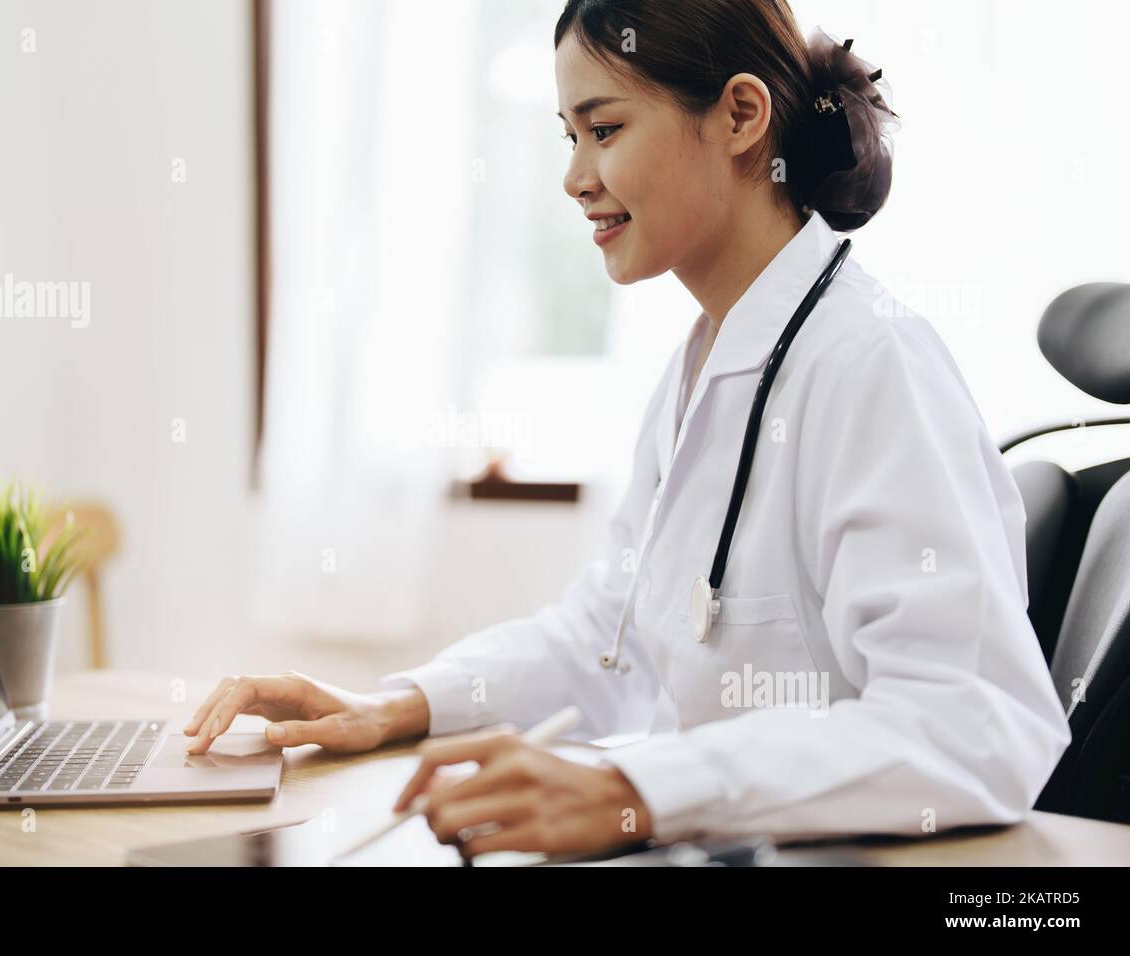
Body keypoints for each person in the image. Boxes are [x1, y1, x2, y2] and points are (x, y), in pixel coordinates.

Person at [184, 0, 1070, 859]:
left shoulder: (872, 363)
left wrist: (638, 793)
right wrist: (398, 704)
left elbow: (973, 726)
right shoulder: (705, 363)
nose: (574, 177)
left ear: (739, 115)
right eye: (568, 138)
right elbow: (608, 637)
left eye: (603, 130)